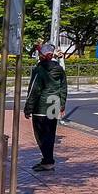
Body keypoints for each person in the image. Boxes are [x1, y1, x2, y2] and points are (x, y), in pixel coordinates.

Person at [25, 42, 68, 172]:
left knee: (40, 135)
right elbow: (63, 88)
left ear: (42, 55)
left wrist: (28, 108)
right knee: (50, 134)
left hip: (41, 106)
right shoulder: (59, 69)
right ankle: (47, 160)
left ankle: (48, 160)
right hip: (54, 102)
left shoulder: (39, 70)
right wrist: (62, 104)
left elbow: (34, 90)